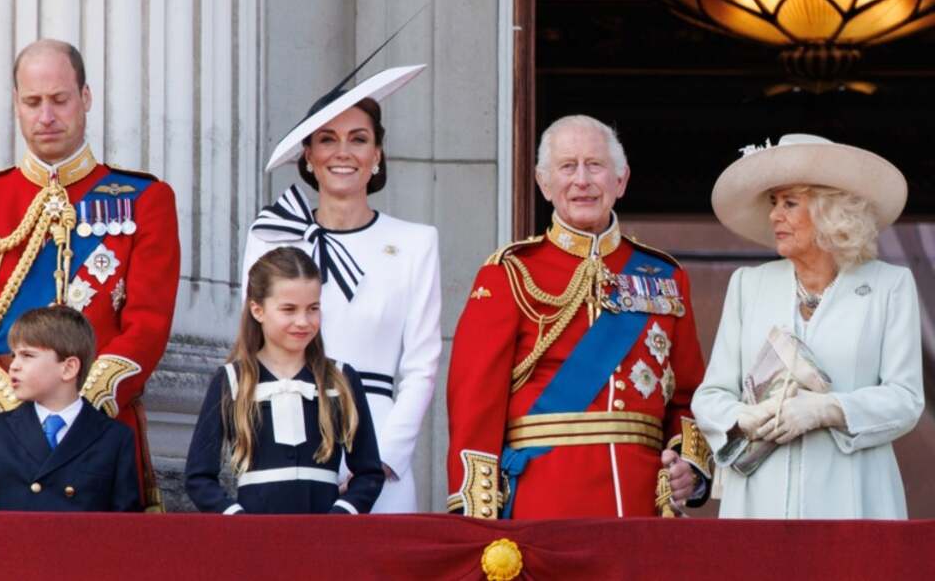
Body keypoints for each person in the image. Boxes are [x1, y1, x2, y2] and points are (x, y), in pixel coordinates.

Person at [0, 39, 180, 510]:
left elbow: (147, 324)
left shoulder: (145, 199)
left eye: (60, 100)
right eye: (32, 102)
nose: (46, 116)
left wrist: (81, 409)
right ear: (17, 106)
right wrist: (9, 410)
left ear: (85, 98)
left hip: (99, 436)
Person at [446, 115, 714, 519]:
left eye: (595, 165)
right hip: (541, 500)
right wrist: (478, 518)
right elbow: (474, 404)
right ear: (544, 184)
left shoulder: (664, 276)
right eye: (567, 166)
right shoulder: (509, 273)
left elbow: (688, 397)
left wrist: (688, 468)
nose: (582, 180)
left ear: (620, 181)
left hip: (640, 503)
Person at [243, 62, 438, 513]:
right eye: (327, 139)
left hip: (380, 434)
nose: (342, 152)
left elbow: (422, 366)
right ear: (307, 156)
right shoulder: (272, 235)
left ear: (378, 155)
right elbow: (251, 347)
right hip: (287, 435)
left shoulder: (415, 242)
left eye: (359, 139)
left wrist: (382, 460)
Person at [694, 134, 923, 519]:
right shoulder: (748, 285)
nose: (774, 215)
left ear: (829, 210)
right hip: (757, 501)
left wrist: (827, 410)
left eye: (789, 203)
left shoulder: (889, 285)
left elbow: (906, 399)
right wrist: (740, 418)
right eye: (773, 203)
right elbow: (710, 395)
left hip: (853, 501)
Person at [185, 247, 384, 514]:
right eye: (289, 309)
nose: (303, 321)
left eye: (313, 308)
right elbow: (199, 478)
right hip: (255, 543)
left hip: (326, 542)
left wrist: (341, 515)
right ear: (258, 310)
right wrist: (236, 519)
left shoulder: (341, 379)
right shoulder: (231, 380)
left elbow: (369, 473)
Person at [0, 305, 142, 511]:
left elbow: (124, 528)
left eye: (27, 355)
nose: (14, 365)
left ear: (68, 368)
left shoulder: (114, 437)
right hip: (14, 550)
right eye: (14, 355)